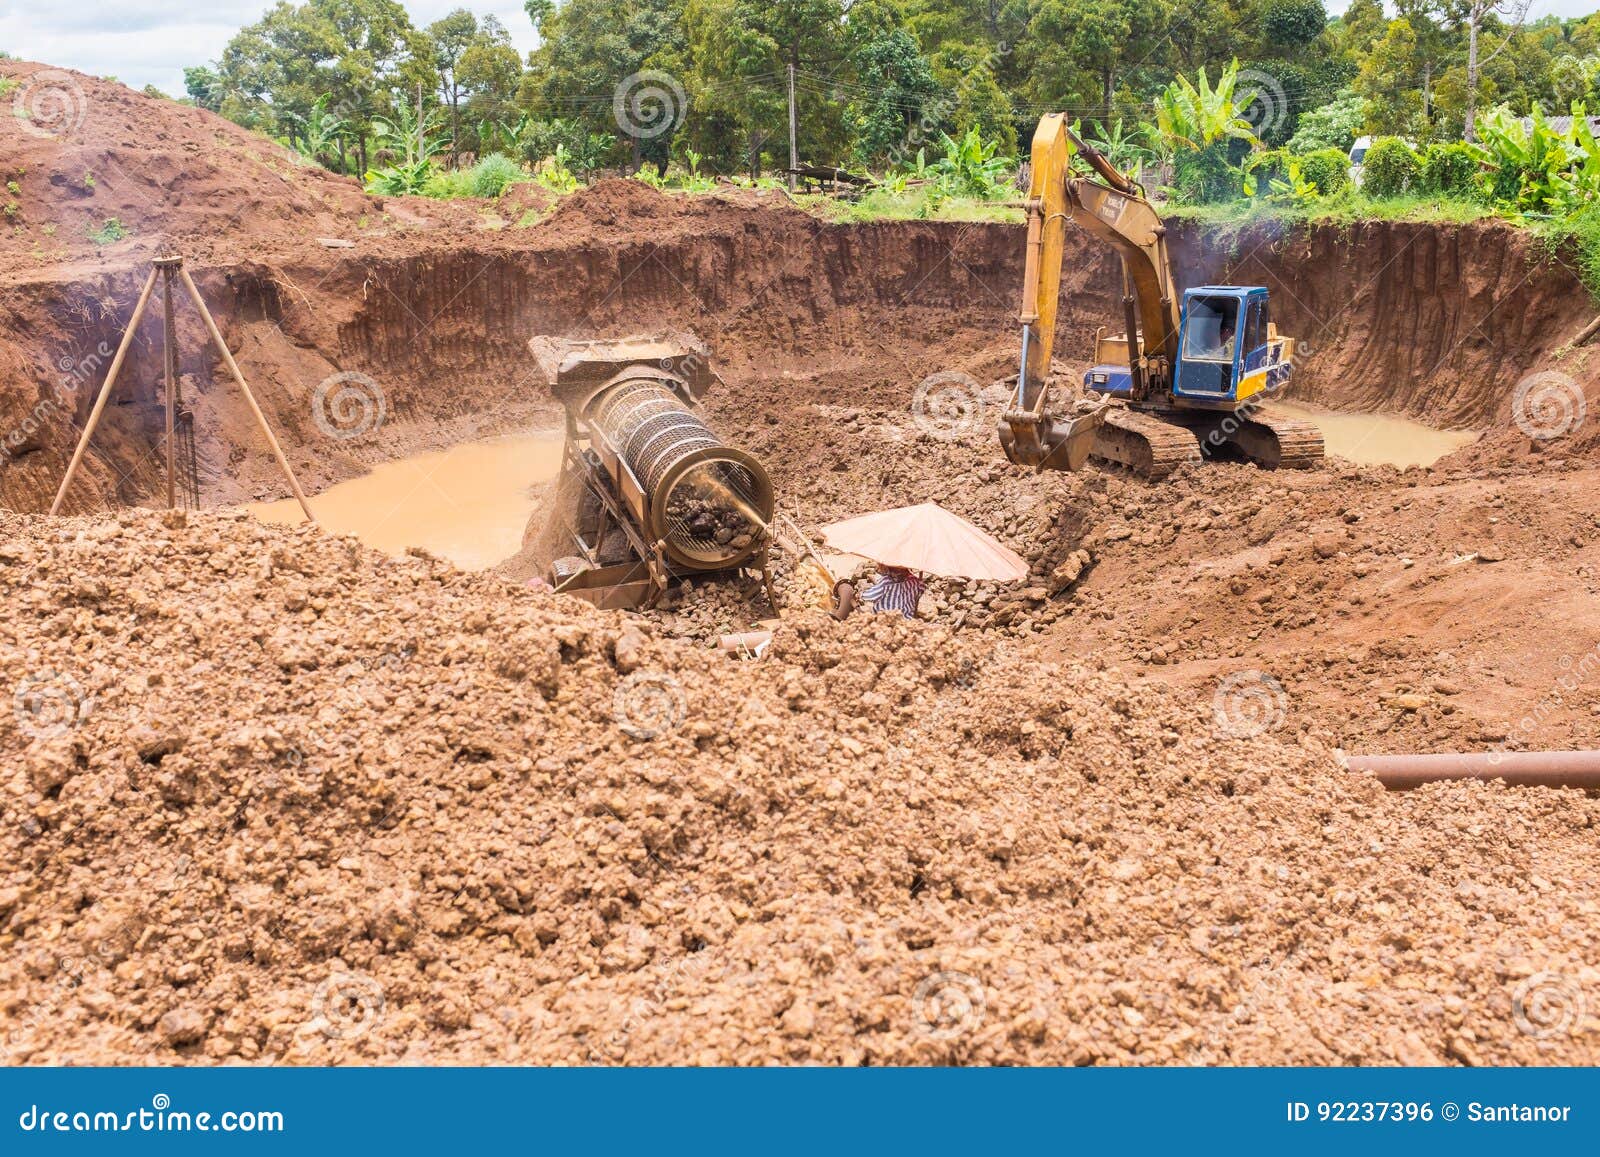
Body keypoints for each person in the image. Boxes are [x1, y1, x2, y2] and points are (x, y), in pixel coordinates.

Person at [859, 565, 927, 619]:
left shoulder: (886, 582)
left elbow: (869, 596)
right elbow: (922, 589)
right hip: (907, 618)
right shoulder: (914, 580)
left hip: (887, 619)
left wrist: (860, 594)